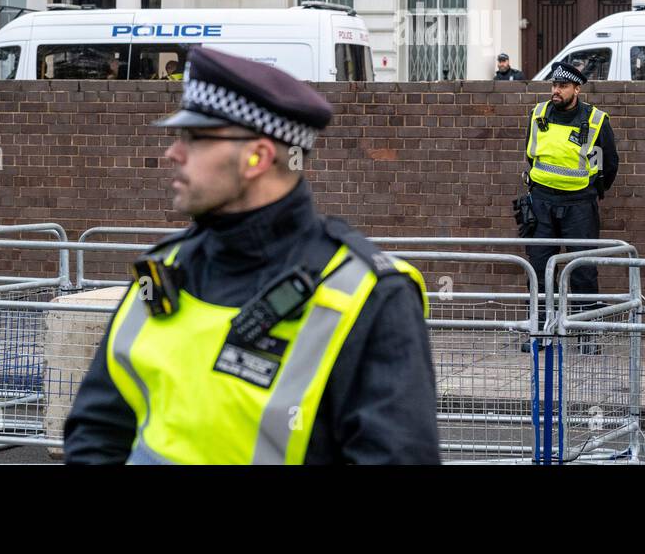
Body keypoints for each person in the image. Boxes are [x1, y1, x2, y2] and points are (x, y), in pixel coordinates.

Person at [64, 47, 440, 464]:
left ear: (257, 157)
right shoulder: (163, 270)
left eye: (194, 137)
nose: (173, 152)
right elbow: (97, 434)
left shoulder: (368, 294)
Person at [522, 62, 618, 332]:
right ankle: (540, 329)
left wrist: (593, 191)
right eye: (554, 85)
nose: (556, 90)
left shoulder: (595, 120)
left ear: (577, 89)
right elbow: (531, 155)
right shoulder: (538, 114)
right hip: (541, 201)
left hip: (579, 205)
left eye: (562, 86)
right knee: (539, 269)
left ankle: (586, 333)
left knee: (583, 269)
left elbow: (609, 164)